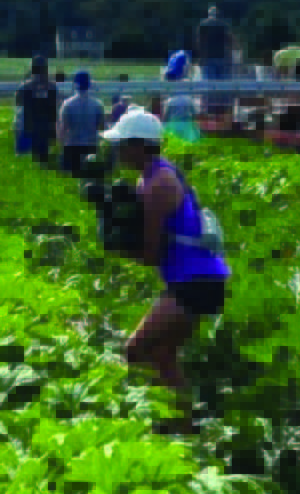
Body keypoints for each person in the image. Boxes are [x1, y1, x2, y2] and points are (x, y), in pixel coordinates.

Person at [102, 108, 231, 436]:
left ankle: (164, 418)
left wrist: (120, 247)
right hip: (196, 276)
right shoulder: (156, 174)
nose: (117, 151)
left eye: (121, 145)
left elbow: (151, 252)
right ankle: (182, 426)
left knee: (135, 350)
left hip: (194, 280)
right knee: (163, 352)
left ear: (139, 146)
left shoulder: (157, 184)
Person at [57, 71, 105, 177]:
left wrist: (60, 146)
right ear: (90, 84)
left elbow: (63, 128)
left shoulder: (68, 104)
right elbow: (102, 127)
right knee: (90, 176)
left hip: (72, 146)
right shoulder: (97, 104)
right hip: (91, 145)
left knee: (71, 178)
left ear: (75, 84)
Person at [15, 56, 59, 166]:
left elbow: (18, 103)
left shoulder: (26, 86)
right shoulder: (51, 86)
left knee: (26, 159)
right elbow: (56, 106)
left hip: (29, 125)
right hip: (46, 127)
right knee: (43, 157)